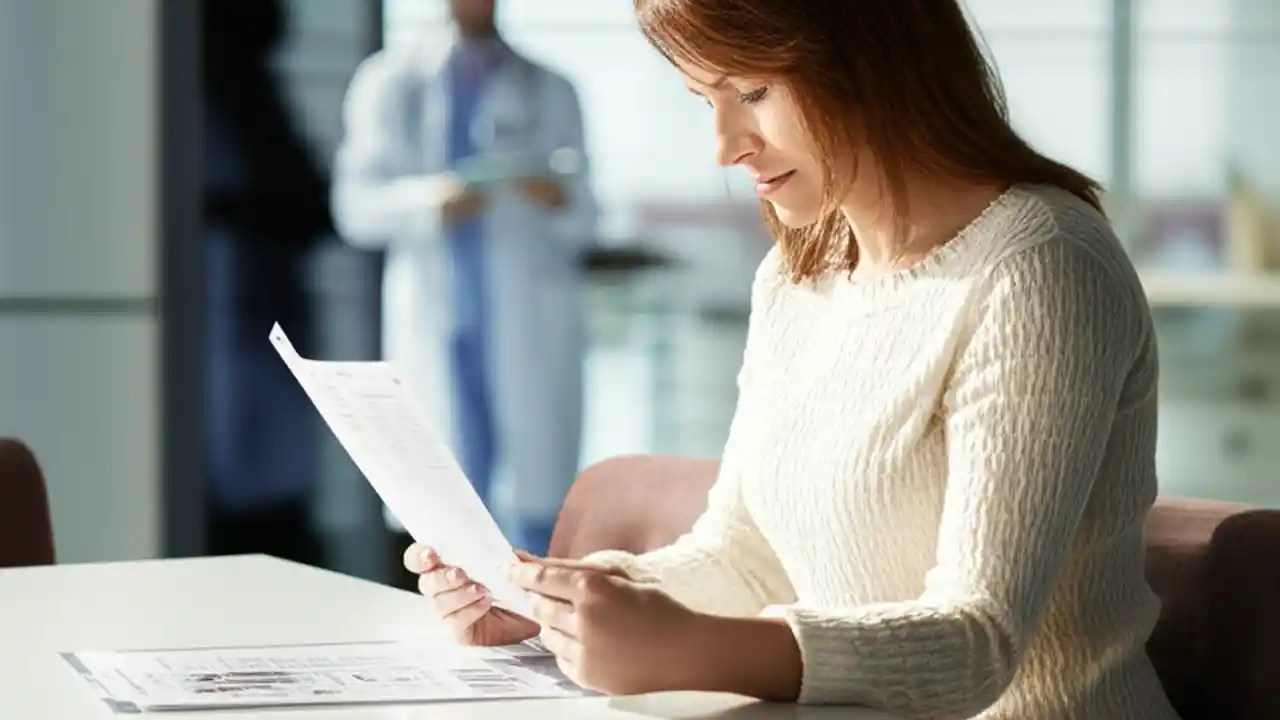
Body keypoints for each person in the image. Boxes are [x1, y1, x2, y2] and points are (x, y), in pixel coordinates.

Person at [404, 1, 1183, 717]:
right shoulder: (796, 277)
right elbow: (745, 558)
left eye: (752, 92)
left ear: (872, 53)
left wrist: (688, 646)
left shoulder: (1040, 265)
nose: (724, 147)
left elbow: (978, 645)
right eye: (704, 100)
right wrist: (550, 608)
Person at [332, 0, 597, 557]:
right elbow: (355, 209)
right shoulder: (390, 83)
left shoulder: (549, 88)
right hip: (438, 313)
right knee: (444, 510)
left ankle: (533, 626)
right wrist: (431, 202)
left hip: (527, 315)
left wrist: (555, 197)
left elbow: (586, 219)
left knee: (535, 507)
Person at [202, 0, 331, 566]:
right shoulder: (207, 97)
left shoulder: (253, 98)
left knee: (271, 491)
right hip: (227, 320)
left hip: (265, 318)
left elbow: (306, 205)